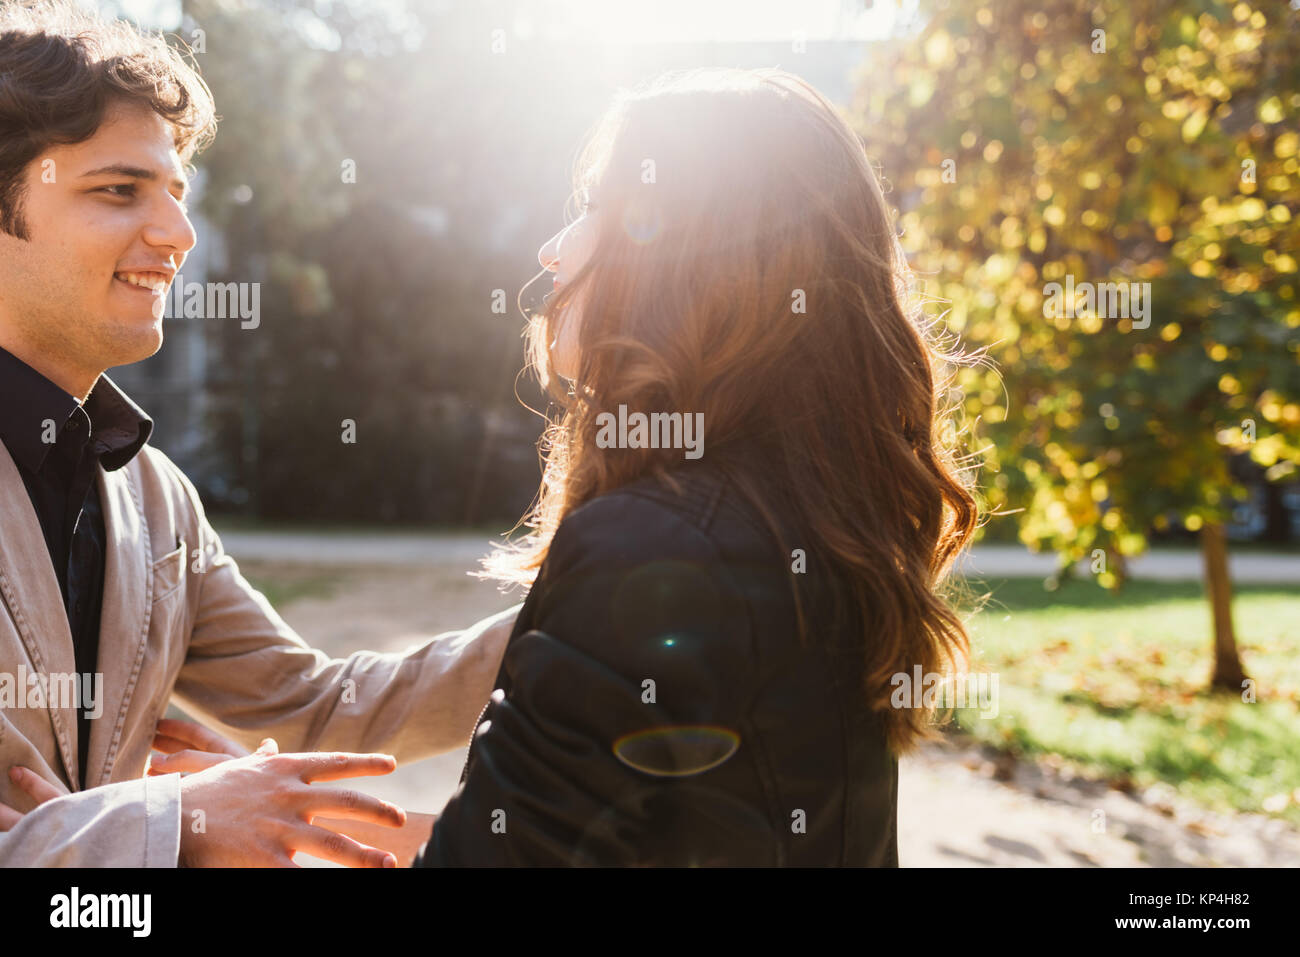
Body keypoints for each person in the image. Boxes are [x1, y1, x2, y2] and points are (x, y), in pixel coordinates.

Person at [412, 67, 984, 866]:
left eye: (594, 212)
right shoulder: (822, 523)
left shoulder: (652, 550)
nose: (553, 248)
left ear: (687, 263)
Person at [0, 0, 515, 867]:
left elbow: (324, 705)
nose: (176, 234)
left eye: (176, 193)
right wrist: (176, 822)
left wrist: (585, 602)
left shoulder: (158, 497)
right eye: (119, 190)